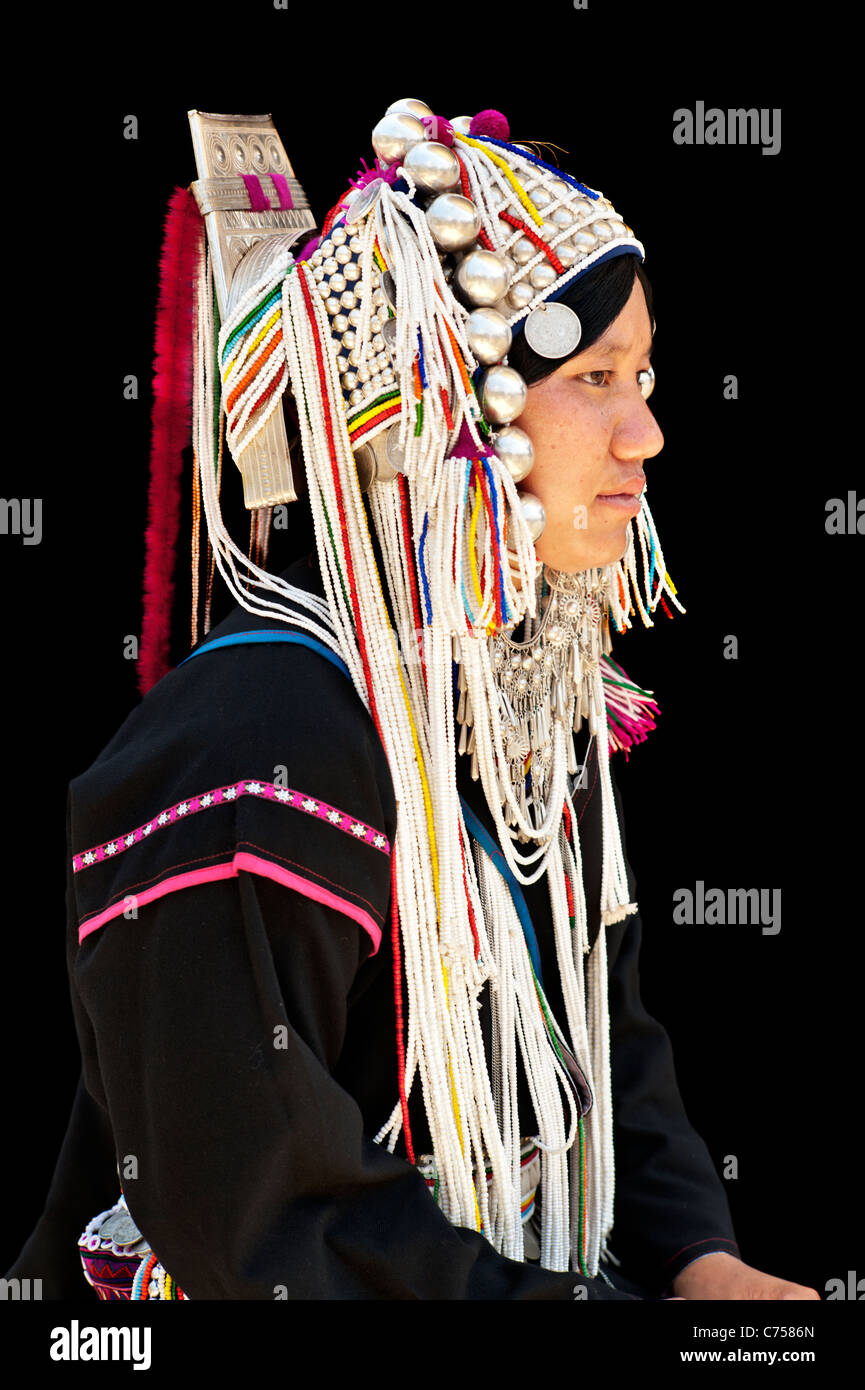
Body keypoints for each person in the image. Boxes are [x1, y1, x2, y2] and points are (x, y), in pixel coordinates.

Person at [5, 101, 819, 1301]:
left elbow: (607, 1047)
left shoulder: (519, 708)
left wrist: (704, 1267)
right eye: (594, 376)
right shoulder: (254, 747)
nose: (644, 430)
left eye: (643, 374)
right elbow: (265, 1230)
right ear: (449, 419)